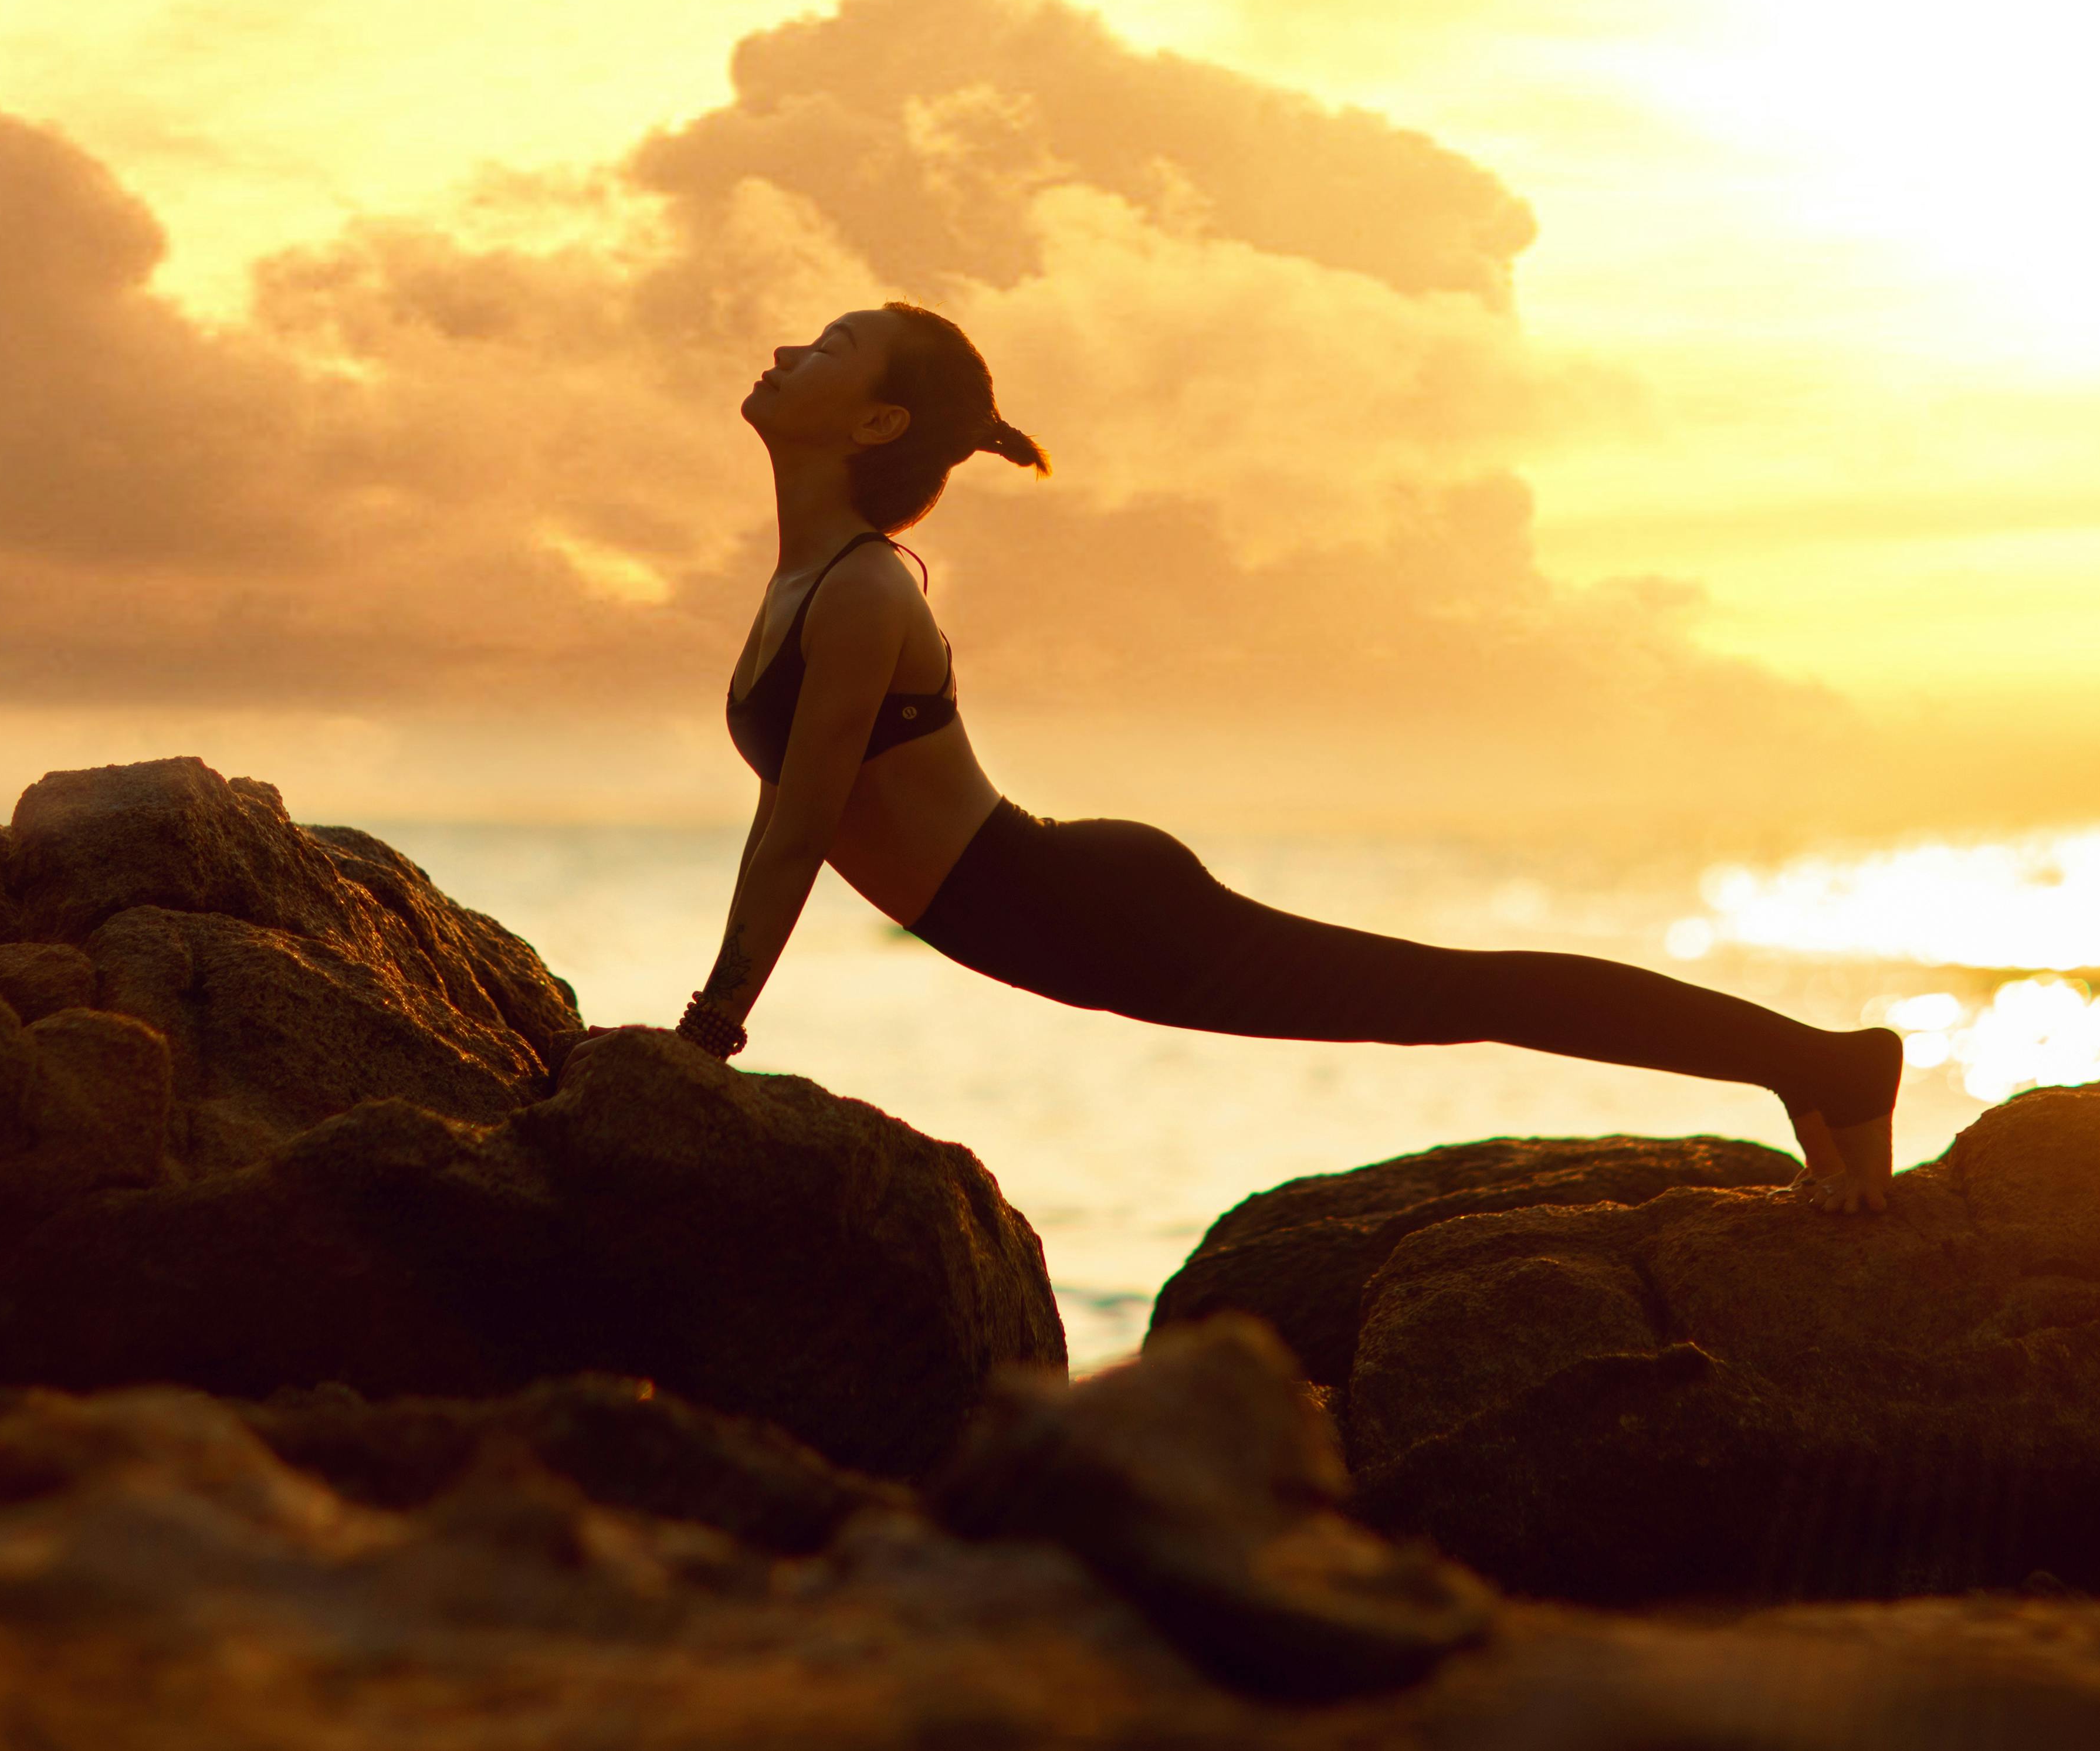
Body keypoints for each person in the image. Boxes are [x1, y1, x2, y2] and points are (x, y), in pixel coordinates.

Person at [679, 301, 1904, 1214]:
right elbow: (803, 815)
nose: (788, 351)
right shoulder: (809, 579)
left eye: (829, 348)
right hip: (1067, 908)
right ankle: (1813, 1067)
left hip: (1096, 914)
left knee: (1457, 996)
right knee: (1454, 994)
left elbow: (802, 824)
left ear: (878, 420)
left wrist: (712, 1026)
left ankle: (1828, 1063)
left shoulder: (859, 594)